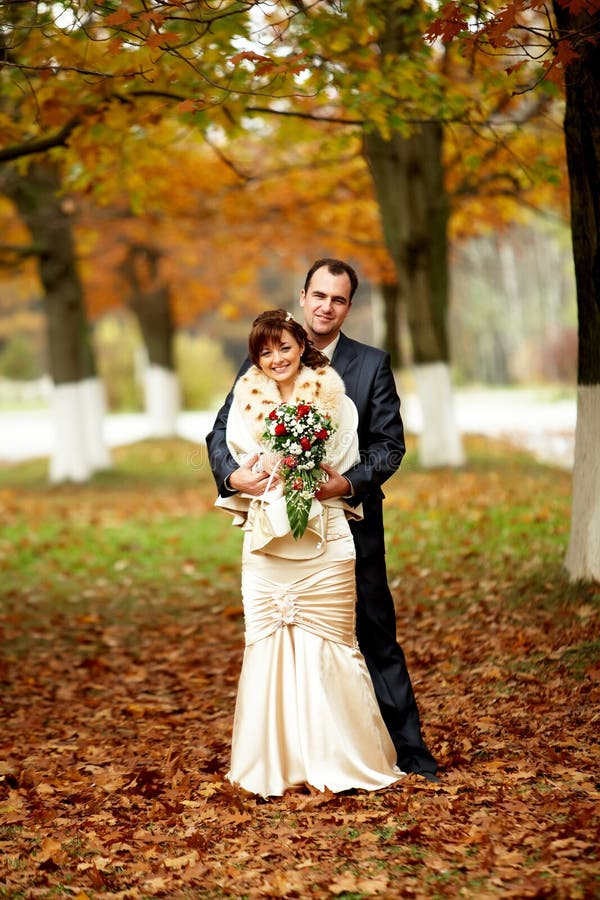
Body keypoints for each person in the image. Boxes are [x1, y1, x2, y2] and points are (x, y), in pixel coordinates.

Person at [207, 259, 438, 782]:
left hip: (349, 522)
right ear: (303, 296)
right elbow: (220, 435)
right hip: (276, 531)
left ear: (348, 307)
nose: (326, 307)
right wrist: (232, 476)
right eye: (319, 295)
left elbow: (389, 446)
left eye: (338, 299)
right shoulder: (263, 357)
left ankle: (408, 752)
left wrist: (346, 483)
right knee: (287, 641)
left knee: (373, 633)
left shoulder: (370, 365)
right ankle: (299, 752)